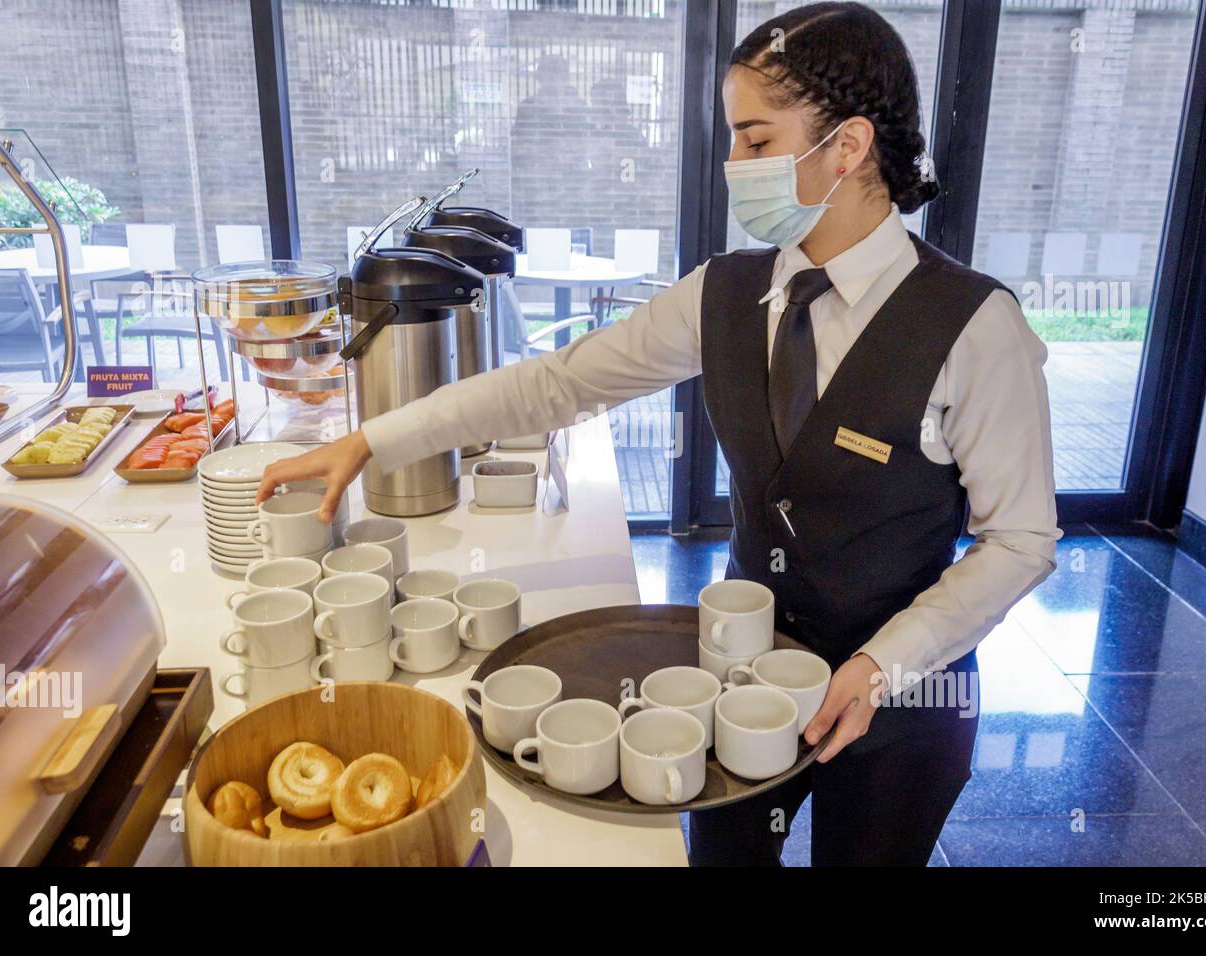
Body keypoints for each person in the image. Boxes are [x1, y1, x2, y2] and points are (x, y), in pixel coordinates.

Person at [258, 2, 1060, 866]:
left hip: (906, 702)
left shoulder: (973, 326)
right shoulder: (725, 293)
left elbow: (1019, 540)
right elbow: (558, 383)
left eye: (755, 141)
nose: (732, 166)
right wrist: (376, 439)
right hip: (736, 676)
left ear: (850, 145)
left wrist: (882, 665)